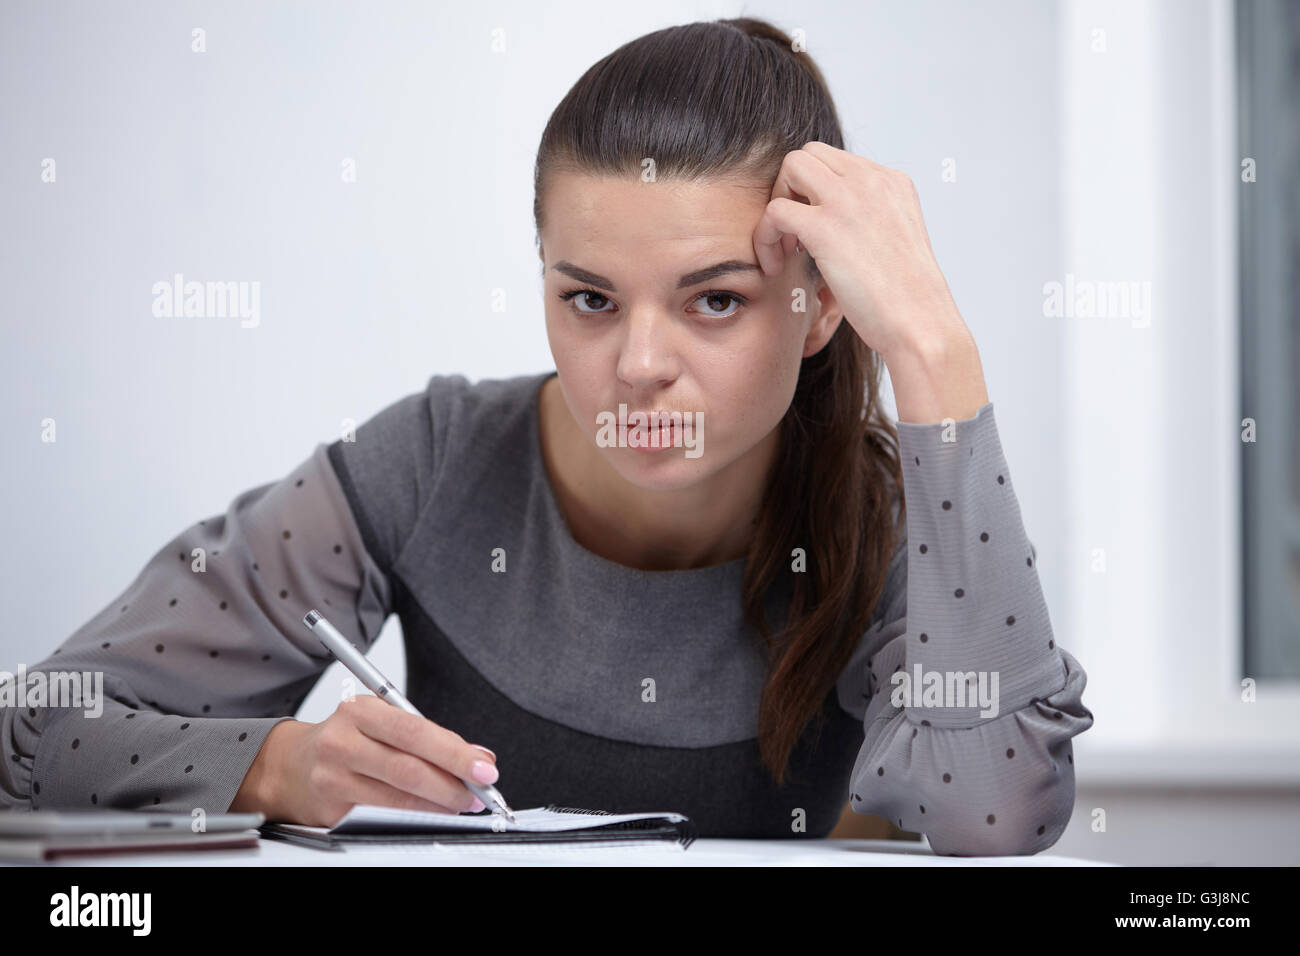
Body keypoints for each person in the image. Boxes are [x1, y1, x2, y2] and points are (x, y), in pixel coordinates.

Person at [0, 16, 1091, 855]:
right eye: (589, 298)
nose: (637, 363)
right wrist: (278, 767)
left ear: (820, 304)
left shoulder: (891, 522)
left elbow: (995, 808)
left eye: (714, 299)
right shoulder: (433, 461)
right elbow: (33, 729)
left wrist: (935, 350)